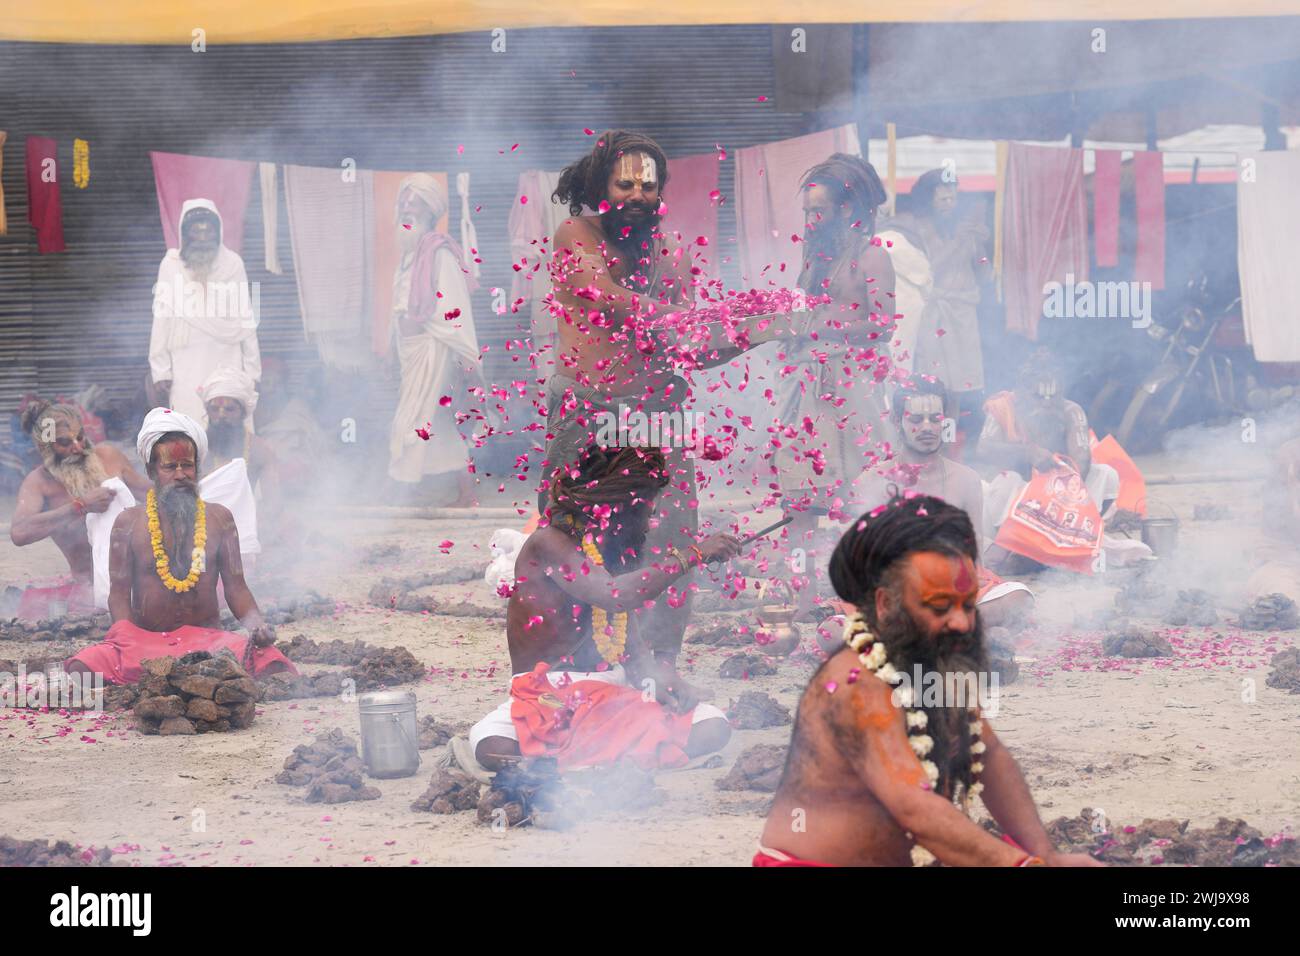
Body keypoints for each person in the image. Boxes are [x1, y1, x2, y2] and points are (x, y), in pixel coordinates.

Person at [755, 493, 1101, 867]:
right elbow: (915, 808)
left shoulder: (933, 660)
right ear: (887, 605)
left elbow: (988, 753)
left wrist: (1047, 855)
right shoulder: (857, 683)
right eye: (939, 607)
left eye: (968, 604)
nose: (962, 623)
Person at [538, 130, 733, 698]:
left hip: (657, 414)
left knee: (670, 530)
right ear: (602, 186)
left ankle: (656, 658)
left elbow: (686, 344)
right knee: (572, 535)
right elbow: (606, 297)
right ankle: (577, 655)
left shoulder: (673, 254)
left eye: (649, 185)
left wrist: (745, 334)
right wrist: (676, 321)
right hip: (587, 409)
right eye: (625, 183)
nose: (638, 195)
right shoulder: (575, 235)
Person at [469, 446, 740, 772]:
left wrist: (664, 682)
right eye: (646, 512)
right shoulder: (548, 543)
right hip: (547, 697)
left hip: (611, 698)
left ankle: (582, 755)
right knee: (491, 744)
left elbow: (632, 650)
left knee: (713, 725)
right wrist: (690, 556)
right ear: (618, 511)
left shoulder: (614, 555)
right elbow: (613, 595)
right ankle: (613, 754)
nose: (651, 523)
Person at [64, 408, 295, 684]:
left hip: (209, 643)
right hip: (147, 643)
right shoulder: (129, 522)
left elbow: (237, 587)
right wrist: (125, 637)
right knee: (83, 666)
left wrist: (256, 626)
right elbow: (119, 594)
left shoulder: (220, 518)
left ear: (197, 468)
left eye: (187, 465)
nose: (180, 474)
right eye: (169, 467)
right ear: (151, 471)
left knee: (273, 661)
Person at [777, 153, 897, 620]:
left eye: (818, 211)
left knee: (858, 496)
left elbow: (882, 324)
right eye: (807, 213)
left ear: (847, 211)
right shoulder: (814, 260)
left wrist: (822, 325)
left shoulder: (873, 256)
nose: (810, 220)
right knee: (800, 495)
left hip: (853, 392)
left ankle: (863, 592)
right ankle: (805, 597)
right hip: (804, 389)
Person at [851, 380, 1033, 630]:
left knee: (1018, 598)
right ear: (896, 421)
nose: (927, 427)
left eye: (934, 419)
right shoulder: (872, 481)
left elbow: (974, 550)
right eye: (916, 419)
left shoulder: (966, 479)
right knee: (835, 632)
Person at [387, 173, 483, 507]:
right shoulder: (408, 255)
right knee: (434, 423)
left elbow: (453, 308)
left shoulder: (439, 253)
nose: (406, 208)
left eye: (414, 202)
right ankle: (467, 492)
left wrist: (433, 333)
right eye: (404, 201)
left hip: (433, 349)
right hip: (411, 352)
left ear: (430, 210)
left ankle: (402, 491)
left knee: (413, 419)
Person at [979, 351, 1121, 572]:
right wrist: (1027, 453)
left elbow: (1082, 458)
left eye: (1052, 396)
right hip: (1016, 500)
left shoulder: (1071, 411)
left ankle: (1071, 544)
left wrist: (1060, 488)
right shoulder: (1003, 407)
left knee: (1105, 473)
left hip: (1063, 499)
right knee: (1008, 480)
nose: (1046, 404)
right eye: (1038, 396)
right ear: (1022, 392)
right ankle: (1018, 547)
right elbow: (984, 449)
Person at [7, 400, 150, 619]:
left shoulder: (108, 456)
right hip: (89, 591)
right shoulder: (38, 482)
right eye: (64, 442)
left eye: (81, 436)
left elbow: (149, 494)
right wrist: (80, 506)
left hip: (139, 578)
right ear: (45, 447)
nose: (78, 447)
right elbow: (19, 532)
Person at [149, 199, 261, 427]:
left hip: (227, 360)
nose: (202, 236)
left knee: (230, 427)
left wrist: (252, 372)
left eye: (208, 229)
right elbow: (161, 318)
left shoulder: (233, 264)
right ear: (184, 233)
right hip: (185, 363)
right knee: (189, 429)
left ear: (217, 231)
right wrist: (160, 370)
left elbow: (246, 319)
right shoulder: (170, 266)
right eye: (195, 229)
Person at [888, 169, 989, 398]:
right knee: (934, 384)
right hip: (935, 314)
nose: (950, 204)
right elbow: (928, 270)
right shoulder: (918, 230)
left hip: (963, 313)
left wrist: (980, 245)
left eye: (953, 198)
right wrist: (958, 241)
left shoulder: (963, 228)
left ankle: (951, 429)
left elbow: (984, 274)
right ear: (929, 200)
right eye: (943, 199)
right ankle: (933, 426)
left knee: (962, 386)